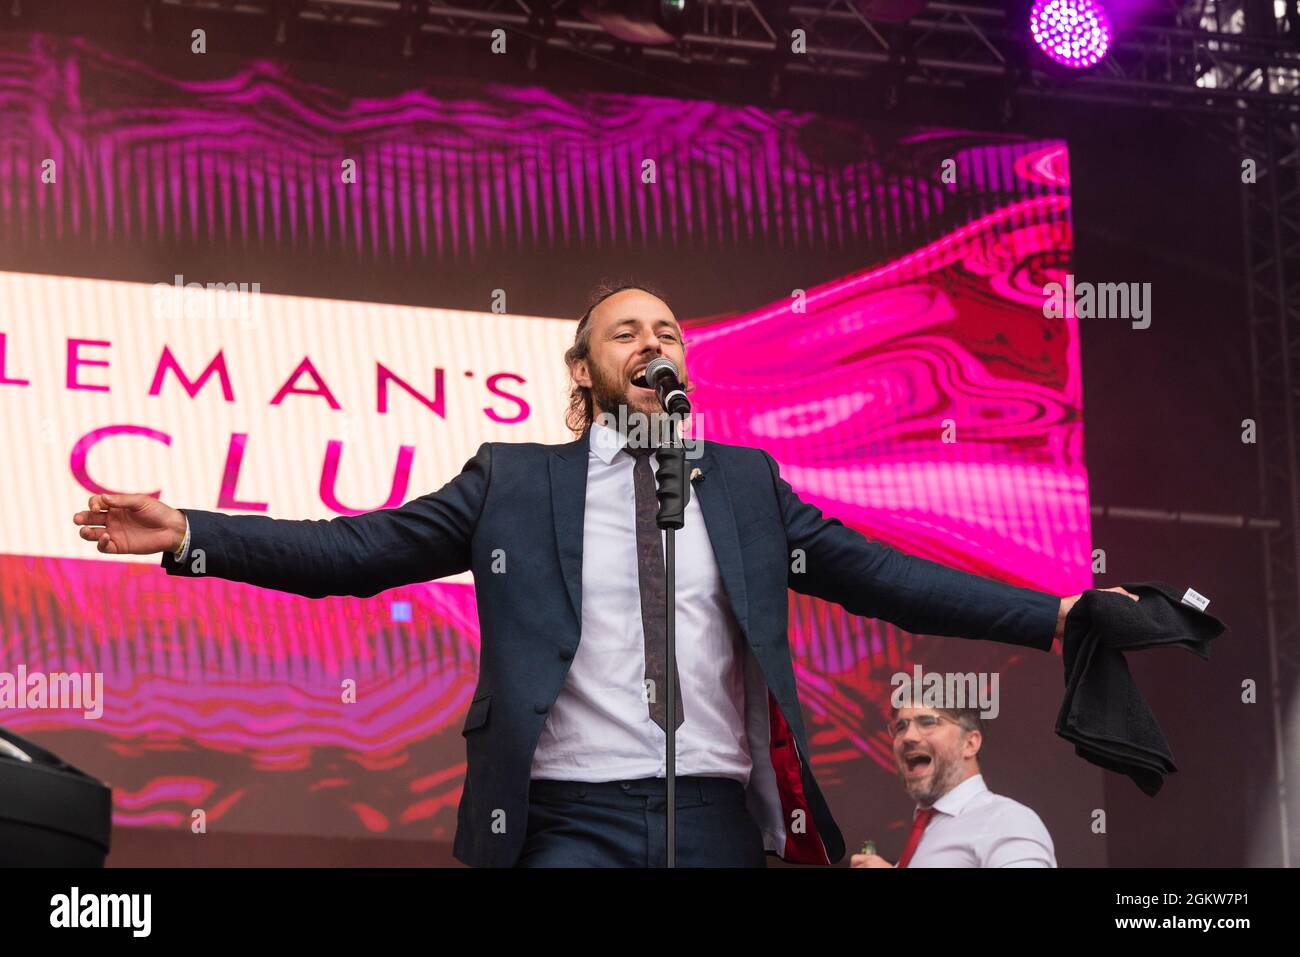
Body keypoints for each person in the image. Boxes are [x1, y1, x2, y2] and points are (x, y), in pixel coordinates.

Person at [72, 281, 1134, 867]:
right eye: (624, 331)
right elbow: (360, 554)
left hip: (715, 813)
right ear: (583, 373)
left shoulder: (744, 484)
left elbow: (878, 576)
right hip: (566, 817)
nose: (652, 339)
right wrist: (190, 533)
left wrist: (1053, 615)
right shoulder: (516, 481)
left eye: (667, 329)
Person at [851, 706, 1056, 868]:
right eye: (901, 727)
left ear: (970, 743)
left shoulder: (1006, 821)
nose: (908, 737)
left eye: (928, 722)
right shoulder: (928, 828)